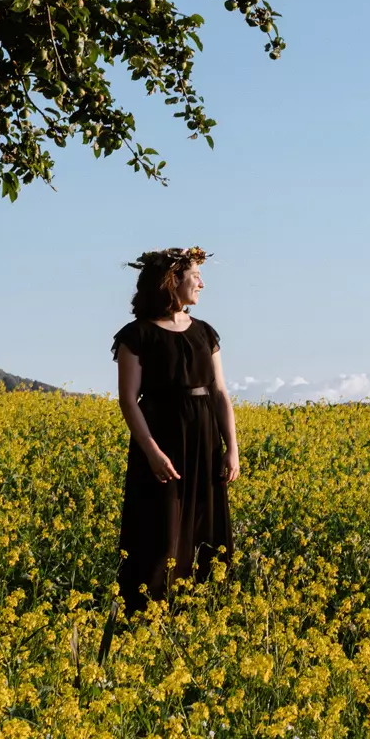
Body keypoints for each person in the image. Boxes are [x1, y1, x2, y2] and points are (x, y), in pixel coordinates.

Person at [109, 246, 239, 615]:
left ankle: (199, 615)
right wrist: (151, 451)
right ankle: (145, 618)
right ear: (173, 281)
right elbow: (129, 400)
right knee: (159, 533)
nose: (201, 282)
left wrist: (232, 448)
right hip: (161, 441)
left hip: (203, 439)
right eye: (194, 275)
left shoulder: (205, 333)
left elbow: (220, 393)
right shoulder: (136, 335)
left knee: (204, 528)